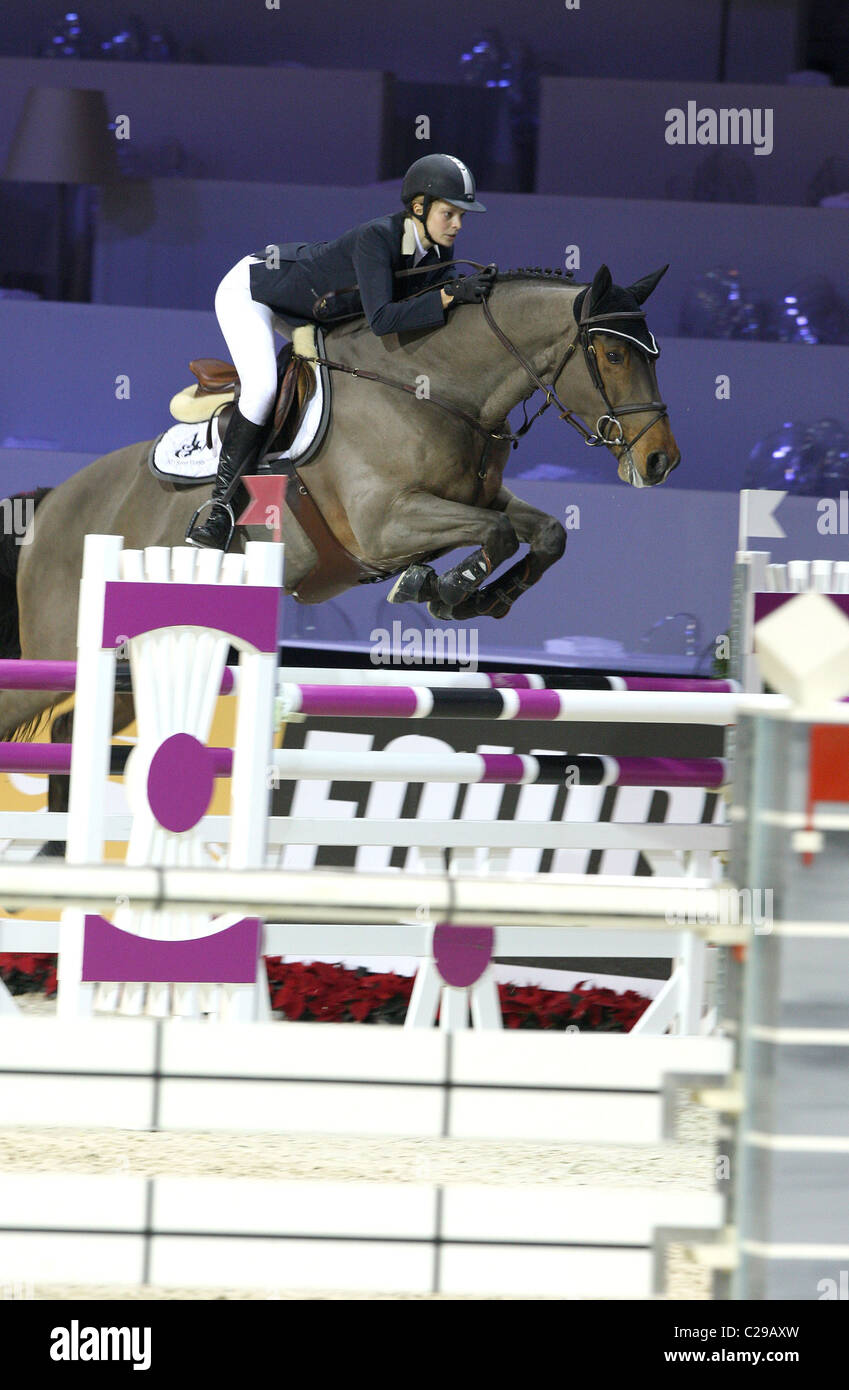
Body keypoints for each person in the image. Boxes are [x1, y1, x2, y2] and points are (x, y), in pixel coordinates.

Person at [186, 153, 495, 549]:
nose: (457, 225)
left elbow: (439, 294)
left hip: (314, 313)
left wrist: (470, 290)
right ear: (419, 207)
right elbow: (383, 319)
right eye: (450, 214)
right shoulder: (378, 238)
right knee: (262, 388)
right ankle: (219, 512)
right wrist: (450, 295)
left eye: (462, 217)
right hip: (255, 292)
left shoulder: (435, 249)